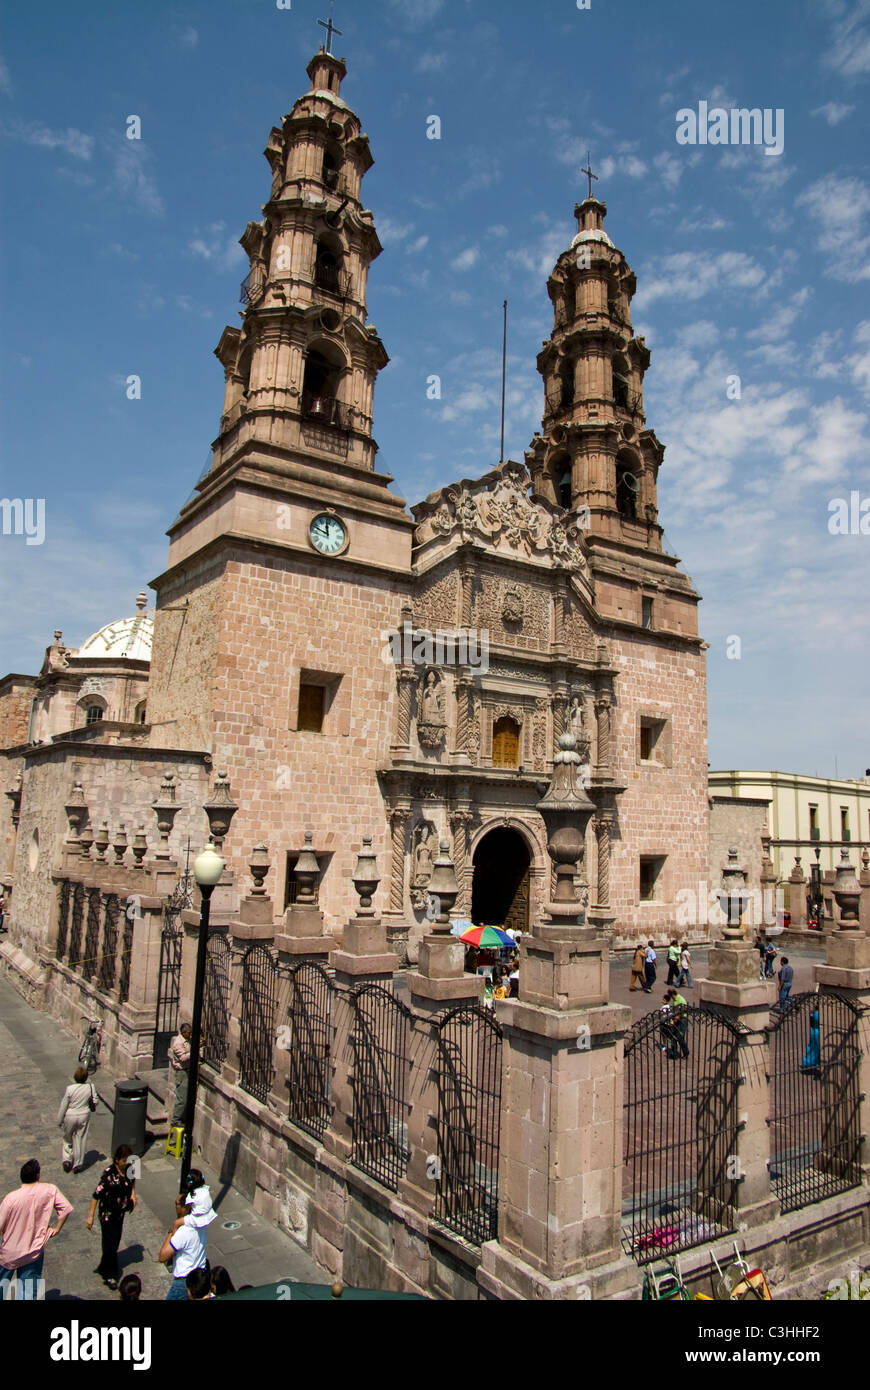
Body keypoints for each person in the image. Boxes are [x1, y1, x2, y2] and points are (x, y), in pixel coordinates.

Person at [0, 1159, 72, 1300]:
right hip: (34, 1251)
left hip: (10, 1252)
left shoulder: (11, 1199)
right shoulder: (50, 1190)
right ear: (38, 1175)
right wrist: (56, 1229)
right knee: (27, 1294)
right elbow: (66, 1209)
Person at [87, 1144, 136, 1290]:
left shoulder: (130, 1170)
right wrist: (90, 1216)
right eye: (124, 1160)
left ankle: (104, 1266)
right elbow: (96, 1194)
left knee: (115, 1240)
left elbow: (133, 1184)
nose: (126, 1163)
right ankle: (110, 1275)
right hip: (107, 1214)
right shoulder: (109, 1174)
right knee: (110, 1243)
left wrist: (133, 1196)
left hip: (120, 1213)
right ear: (117, 1160)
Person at [160, 1192, 208, 1299]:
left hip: (184, 1280)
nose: (175, 1207)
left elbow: (163, 1256)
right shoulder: (202, 1223)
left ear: (185, 1207)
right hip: (199, 1277)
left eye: (177, 1204)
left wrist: (173, 1229)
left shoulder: (184, 1231)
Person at [57, 1065, 97, 1174]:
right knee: (80, 1138)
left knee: (67, 1138)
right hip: (84, 1115)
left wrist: (59, 1120)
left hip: (70, 1115)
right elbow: (95, 1101)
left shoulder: (70, 1089)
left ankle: (67, 1160)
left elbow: (64, 1105)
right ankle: (78, 1164)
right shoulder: (90, 1087)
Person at [168, 1023, 192, 1128]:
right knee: (182, 1098)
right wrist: (194, 1050)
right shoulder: (178, 1043)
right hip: (182, 1073)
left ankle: (182, 1117)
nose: (190, 1035)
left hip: (188, 1070)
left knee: (186, 1097)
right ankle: (176, 1120)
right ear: (184, 1033)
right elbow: (182, 1058)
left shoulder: (187, 1041)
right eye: (189, 1033)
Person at [661, 989, 689, 1058]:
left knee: (680, 1037)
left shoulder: (681, 1000)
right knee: (672, 1036)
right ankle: (674, 1054)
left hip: (682, 1020)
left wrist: (674, 1021)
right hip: (676, 1020)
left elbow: (681, 1012)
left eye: (670, 996)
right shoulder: (675, 1001)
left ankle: (686, 1052)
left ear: (672, 995)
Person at [801, 1005, 821, 1070]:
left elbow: (811, 1023)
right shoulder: (820, 1014)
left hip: (813, 1031)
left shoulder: (812, 1013)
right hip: (818, 1032)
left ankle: (807, 1062)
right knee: (817, 1048)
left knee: (811, 1048)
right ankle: (814, 1062)